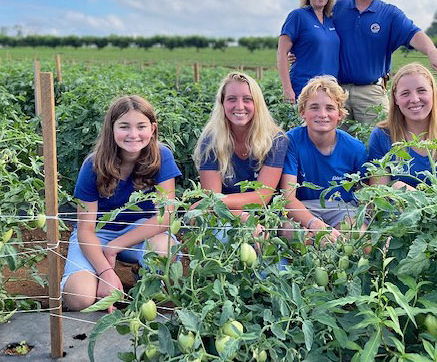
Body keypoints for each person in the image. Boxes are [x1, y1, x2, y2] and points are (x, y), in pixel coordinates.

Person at [62, 96, 181, 311]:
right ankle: (98, 278)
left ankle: (143, 276)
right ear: (111, 129)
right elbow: (86, 229)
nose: (133, 134)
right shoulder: (93, 165)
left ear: (153, 128)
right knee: (79, 298)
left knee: (163, 251)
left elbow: (165, 216)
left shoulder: (162, 156)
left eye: (141, 126)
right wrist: (106, 272)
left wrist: (114, 247)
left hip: (142, 232)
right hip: (97, 234)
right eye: (124, 126)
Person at [333, 0, 437, 123]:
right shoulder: (337, 8)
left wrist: (432, 52)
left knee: (381, 135)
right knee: (335, 138)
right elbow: (317, 34)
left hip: (371, 93)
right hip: (337, 90)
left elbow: (413, 33)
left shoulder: (390, 14)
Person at [193, 72, 289, 226]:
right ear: (222, 103)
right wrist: (241, 217)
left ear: (257, 103)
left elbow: (262, 197)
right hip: (224, 217)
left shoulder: (275, 140)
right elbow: (212, 199)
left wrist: (213, 203)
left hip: (268, 219)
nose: (239, 106)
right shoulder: (211, 141)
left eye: (247, 99)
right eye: (231, 99)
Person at [281, 76, 367, 240]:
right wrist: (315, 224)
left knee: (358, 234)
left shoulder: (355, 148)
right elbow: (288, 197)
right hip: (303, 207)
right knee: (291, 233)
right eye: (314, 107)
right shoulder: (291, 142)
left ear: (340, 114)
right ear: (302, 112)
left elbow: (366, 195)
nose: (322, 114)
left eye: (330, 108)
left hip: (342, 208)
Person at [368, 63, 437, 190]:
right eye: (405, 93)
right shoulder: (382, 136)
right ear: (395, 99)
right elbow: (379, 192)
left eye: (421, 91)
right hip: (400, 204)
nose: (414, 99)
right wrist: (404, 191)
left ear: (433, 93)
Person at [278, 0, 339, 103]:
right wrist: (287, 89)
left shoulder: (332, 20)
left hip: (330, 92)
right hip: (303, 90)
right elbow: (282, 53)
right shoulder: (297, 16)